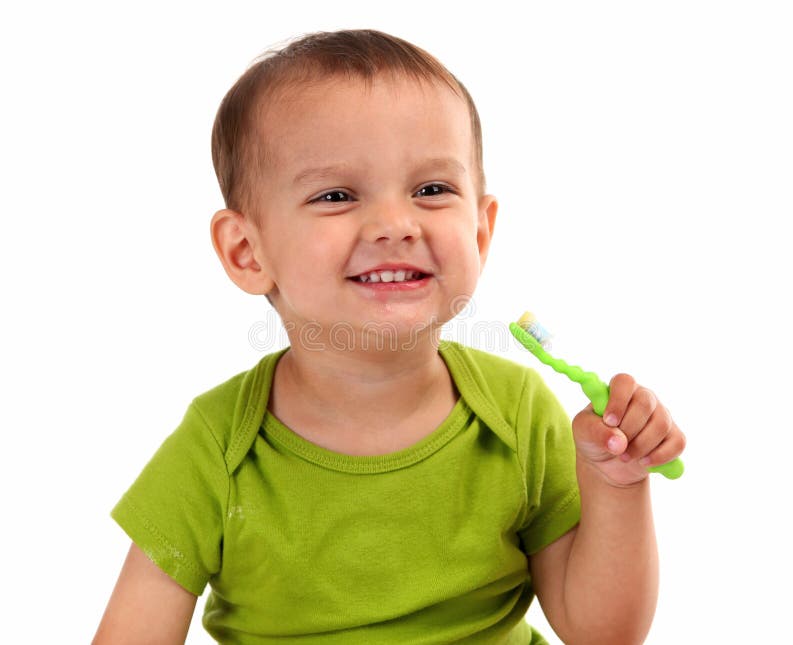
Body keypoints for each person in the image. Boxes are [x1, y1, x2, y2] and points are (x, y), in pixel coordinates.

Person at [92, 29, 686, 645]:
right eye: (337, 195)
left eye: (432, 190)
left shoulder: (515, 412)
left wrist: (618, 485)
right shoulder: (218, 448)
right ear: (247, 251)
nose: (396, 225)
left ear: (480, 234)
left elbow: (605, 634)